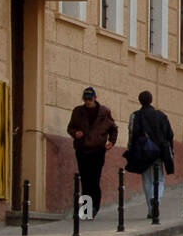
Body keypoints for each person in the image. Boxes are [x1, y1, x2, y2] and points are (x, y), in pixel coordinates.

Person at [66, 87, 117, 218]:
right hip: (82, 149)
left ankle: (94, 206)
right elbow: (70, 127)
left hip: (98, 150)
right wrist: (75, 133)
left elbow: (113, 128)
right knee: (85, 180)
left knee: (94, 179)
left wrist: (112, 141)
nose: (87, 101)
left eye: (90, 99)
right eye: (85, 99)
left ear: (95, 98)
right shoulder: (78, 111)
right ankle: (87, 210)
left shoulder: (104, 112)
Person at [128, 90, 175, 218]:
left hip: (143, 152)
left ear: (140, 101)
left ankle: (151, 209)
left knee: (147, 181)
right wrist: (171, 150)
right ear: (151, 100)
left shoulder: (135, 115)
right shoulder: (161, 115)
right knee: (159, 179)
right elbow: (170, 134)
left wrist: (131, 150)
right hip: (159, 152)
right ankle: (156, 200)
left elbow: (132, 134)